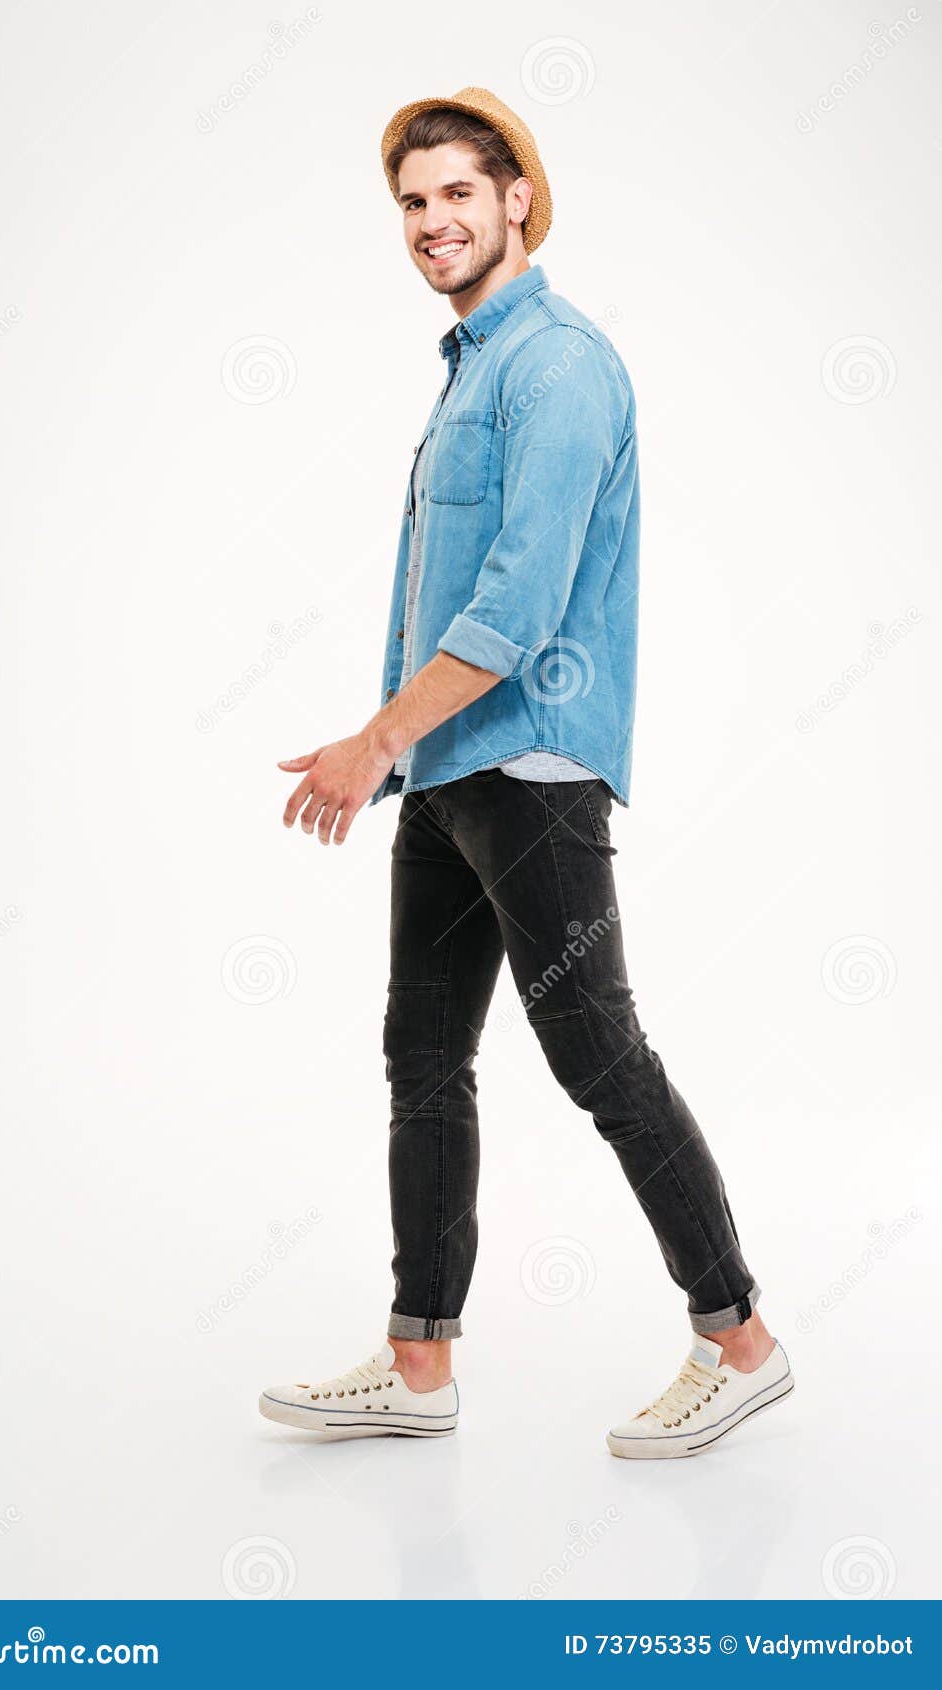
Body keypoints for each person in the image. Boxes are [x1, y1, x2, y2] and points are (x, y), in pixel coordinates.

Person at [259, 87, 793, 1458]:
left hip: (533, 771)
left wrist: (371, 735)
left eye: (454, 195)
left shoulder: (557, 366)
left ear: (516, 200)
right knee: (424, 1057)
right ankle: (416, 1361)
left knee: (599, 1054)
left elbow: (518, 603)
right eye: (412, 204)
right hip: (449, 770)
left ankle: (738, 1338)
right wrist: (403, 744)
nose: (432, 222)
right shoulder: (474, 371)